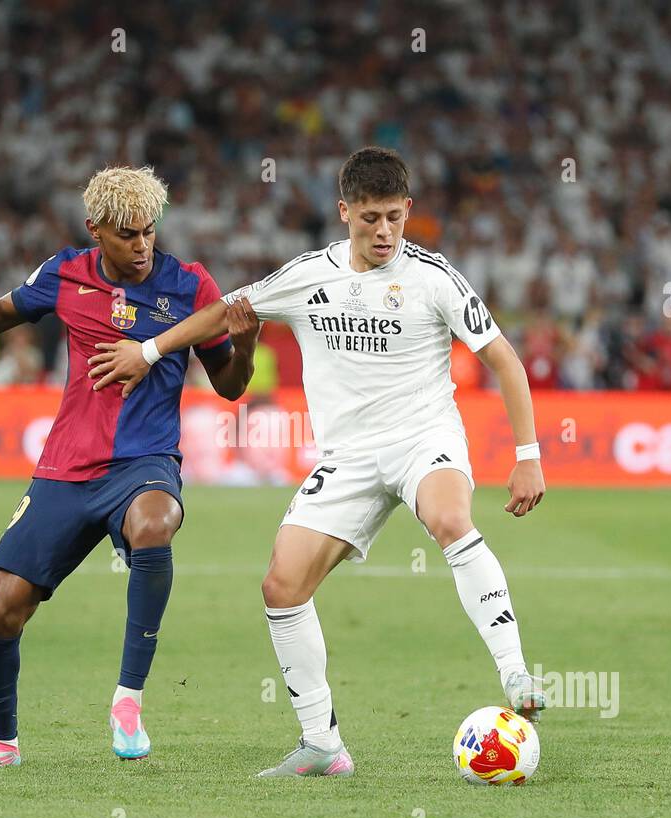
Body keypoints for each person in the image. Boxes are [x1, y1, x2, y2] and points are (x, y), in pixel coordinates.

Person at [90, 147, 548, 778]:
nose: (383, 232)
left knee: (449, 517)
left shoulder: (434, 277)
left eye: (394, 217)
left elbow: (505, 361)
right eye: (369, 219)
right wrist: (149, 350)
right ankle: (322, 744)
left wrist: (529, 456)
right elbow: (223, 313)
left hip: (423, 436)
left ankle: (516, 671)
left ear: (408, 210)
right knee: (281, 586)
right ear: (344, 213)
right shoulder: (308, 276)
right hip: (349, 457)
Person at [0, 166, 257, 767]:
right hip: (65, 467)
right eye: (128, 234)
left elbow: (230, 385)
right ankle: (2, 742)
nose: (142, 245)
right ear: (95, 230)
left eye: (150, 231)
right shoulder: (65, 273)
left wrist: (245, 344)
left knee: (155, 524)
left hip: (144, 461)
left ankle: (127, 702)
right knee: (4, 607)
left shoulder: (188, 285)